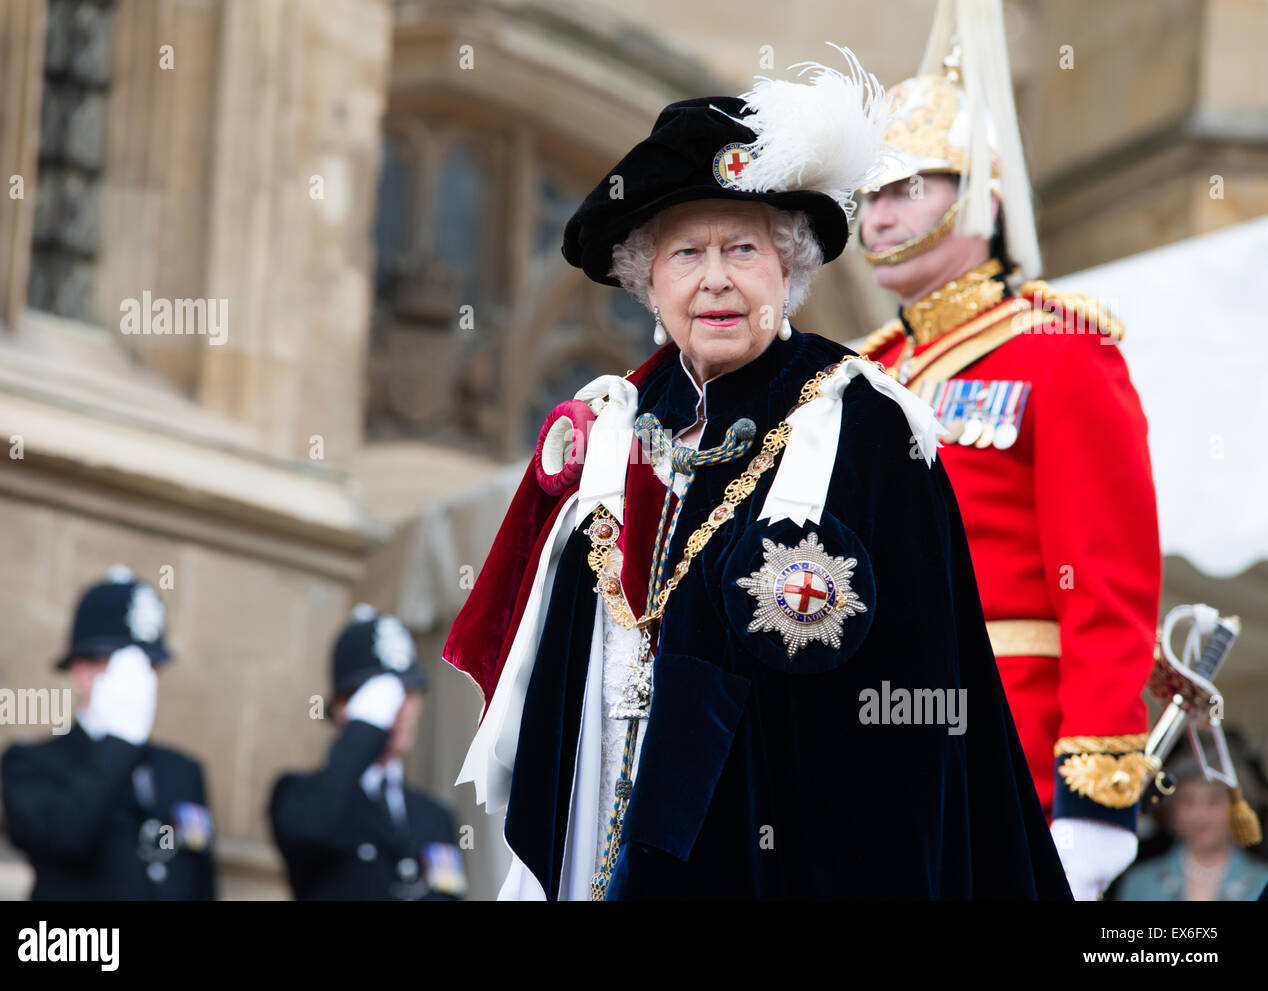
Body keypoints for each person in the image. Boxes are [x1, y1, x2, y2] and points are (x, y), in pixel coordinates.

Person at [444, 44, 1071, 900]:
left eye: (742, 248)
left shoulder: (867, 423)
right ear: (647, 282)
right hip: (603, 815)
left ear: (788, 266)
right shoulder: (615, 425)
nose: (715, 281)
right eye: (684, 255)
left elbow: (918, 710)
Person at [855, 0, 1162, 901]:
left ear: (981, 191)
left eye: (910, 186)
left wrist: (1094, 799)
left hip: (1007, 753)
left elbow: (1109, 586)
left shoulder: (1063, 351)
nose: (882, 214)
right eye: (873, 191)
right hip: (868, 750)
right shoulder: (864, 372)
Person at [0, 566, 216, 900]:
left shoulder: (182, 771)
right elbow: (65, 839)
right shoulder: (30, 764)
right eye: (125, 669)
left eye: (150, 669)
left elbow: (200, 884)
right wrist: (119, 740)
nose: (143, 684)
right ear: (82, 671)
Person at [269, 605, 466, 900]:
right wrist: (365, 729)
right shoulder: (301, 796)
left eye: (409, 694)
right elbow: (309, 830)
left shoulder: (434, 816)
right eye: (386, 696)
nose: (400, 710)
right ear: (343, 706)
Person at [1115, 755, 1268, 901]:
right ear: (1173, 811)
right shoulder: (1141, 883)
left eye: (1213, 801)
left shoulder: (1263, 882)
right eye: (1188, 801)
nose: (1200, 814)